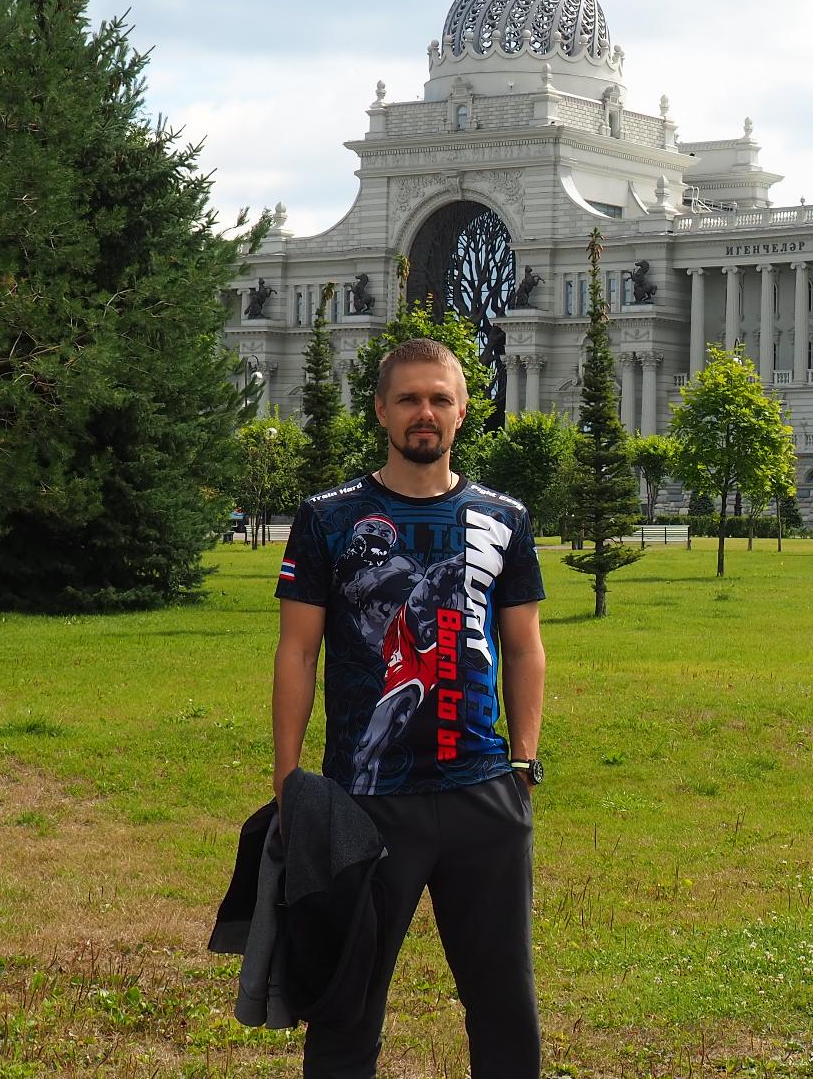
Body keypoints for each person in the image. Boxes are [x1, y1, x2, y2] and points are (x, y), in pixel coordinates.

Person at [272, 337, 546, 1077]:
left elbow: (523, 647)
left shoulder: (504, 518)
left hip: (481, 793)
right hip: (364, 802)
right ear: (381, 410)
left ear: (461, 412)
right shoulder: (330, 518)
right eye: (409, 399)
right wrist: (291, 783)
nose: (424, 413)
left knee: (504, 1007)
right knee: (346, 1005)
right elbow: (298, 652)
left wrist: (522, 760)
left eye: (439, 398)